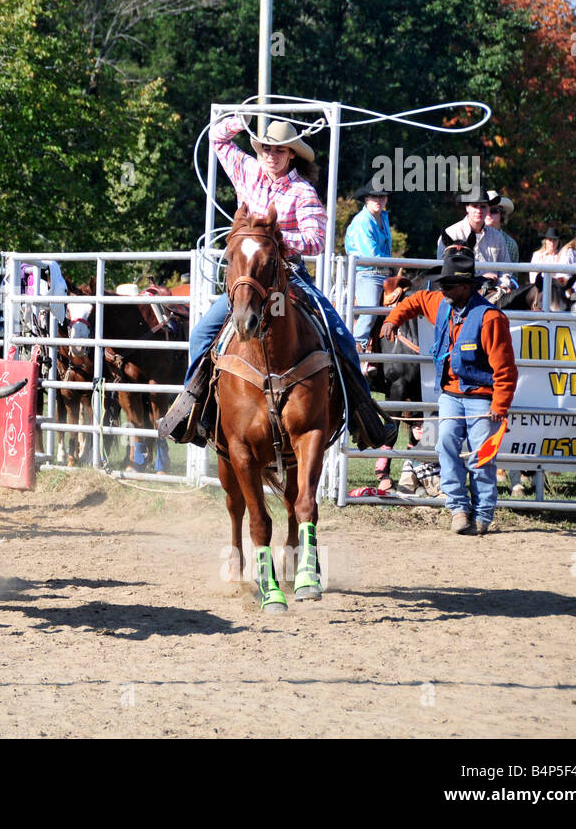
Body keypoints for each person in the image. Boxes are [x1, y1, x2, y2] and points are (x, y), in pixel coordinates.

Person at [181, 115, 396, 449]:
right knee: (202, 333)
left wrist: (275, 241)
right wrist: (241, 120)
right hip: (249, 280)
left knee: (340, 335)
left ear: (292, 154)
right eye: (266, 149)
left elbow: (317, 240)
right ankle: (194, 409)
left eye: (279, 150)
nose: (271, 155)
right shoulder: (247, 170)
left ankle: (362, 415)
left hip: (289, 277)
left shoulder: (302, 192)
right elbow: (217, 140)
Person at [379, 238, 517, 536]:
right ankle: (458, 508)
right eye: (442, 284)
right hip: (451, 395)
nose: (442, 289)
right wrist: (393, 318)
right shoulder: (441, 303)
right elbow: (414, 300)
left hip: (482, 398)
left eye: (449, 285)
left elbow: (505, 368)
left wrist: (500, 405)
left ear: (465, 286)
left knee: (481, 457)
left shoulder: (490, 319)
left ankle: (482, 513)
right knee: (446, 446)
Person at [439, 189, 516, 305]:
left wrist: (502, 287)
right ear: (467, 208)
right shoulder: (451, 234)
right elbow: (444, 271)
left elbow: (505, 269)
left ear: (488, 209)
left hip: (493, 294)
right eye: (475, 206)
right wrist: (480, 279)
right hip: (459, 295)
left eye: (483, 206)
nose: (479, 210)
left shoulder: (497, 237)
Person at [343, 178, 393, 355]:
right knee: (370, 309)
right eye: (374, 196)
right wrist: (392, 265)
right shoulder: (362, 222)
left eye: (382, 196)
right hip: (367, 273)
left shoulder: (383, 218)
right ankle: (358, 345)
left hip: (384, 271)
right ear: (366, 199)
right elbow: (371, 256)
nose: (378, 200)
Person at [486, 195, 520, 264]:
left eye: (493, 211)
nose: (488, 214)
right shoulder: (472, 238)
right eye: (485, 210)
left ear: (501, 215)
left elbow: (512, 270)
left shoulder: (510, 244)